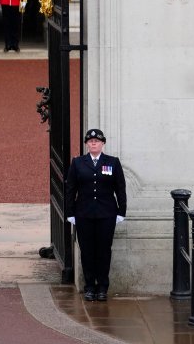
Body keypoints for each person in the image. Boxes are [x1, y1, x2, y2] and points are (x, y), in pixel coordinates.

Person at [65, 128, 127, 302]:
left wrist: (122, 211)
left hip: (106, 214)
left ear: (103, 144)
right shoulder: (77, 163)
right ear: (86, 144)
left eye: (97, 141)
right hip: (84, 214)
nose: (93, 144)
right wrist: (70, 212)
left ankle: (102, 287)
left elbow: (120, 188)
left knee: (104, 251)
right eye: (90, 141)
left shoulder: (112, 162)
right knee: (87, 251)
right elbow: (71, 189)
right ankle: (89, 286)